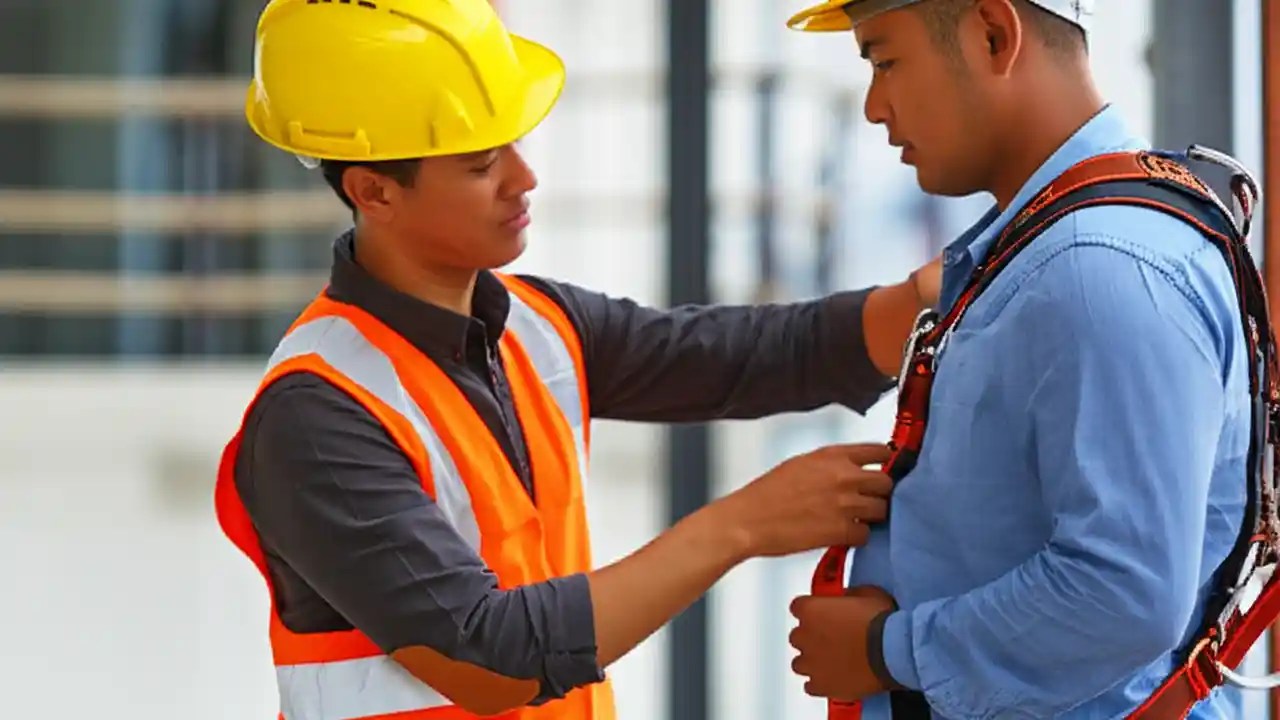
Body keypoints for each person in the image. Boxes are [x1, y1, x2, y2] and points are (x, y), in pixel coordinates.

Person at [214, 1, 942, 718]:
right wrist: (741, 526)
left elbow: (746, 355)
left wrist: (926, 294)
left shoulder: (536, 326)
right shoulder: (316, 415)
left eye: (515, 145)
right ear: (373, 191)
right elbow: (488, 657)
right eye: (480, 163)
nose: (523, 180)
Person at [783, 1, 1254, 718]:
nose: (875, 107)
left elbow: (1124, 592)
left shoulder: (1099, 270)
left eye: (884, 61)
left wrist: (887, 650)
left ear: (993, 34)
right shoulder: (1055, 253)